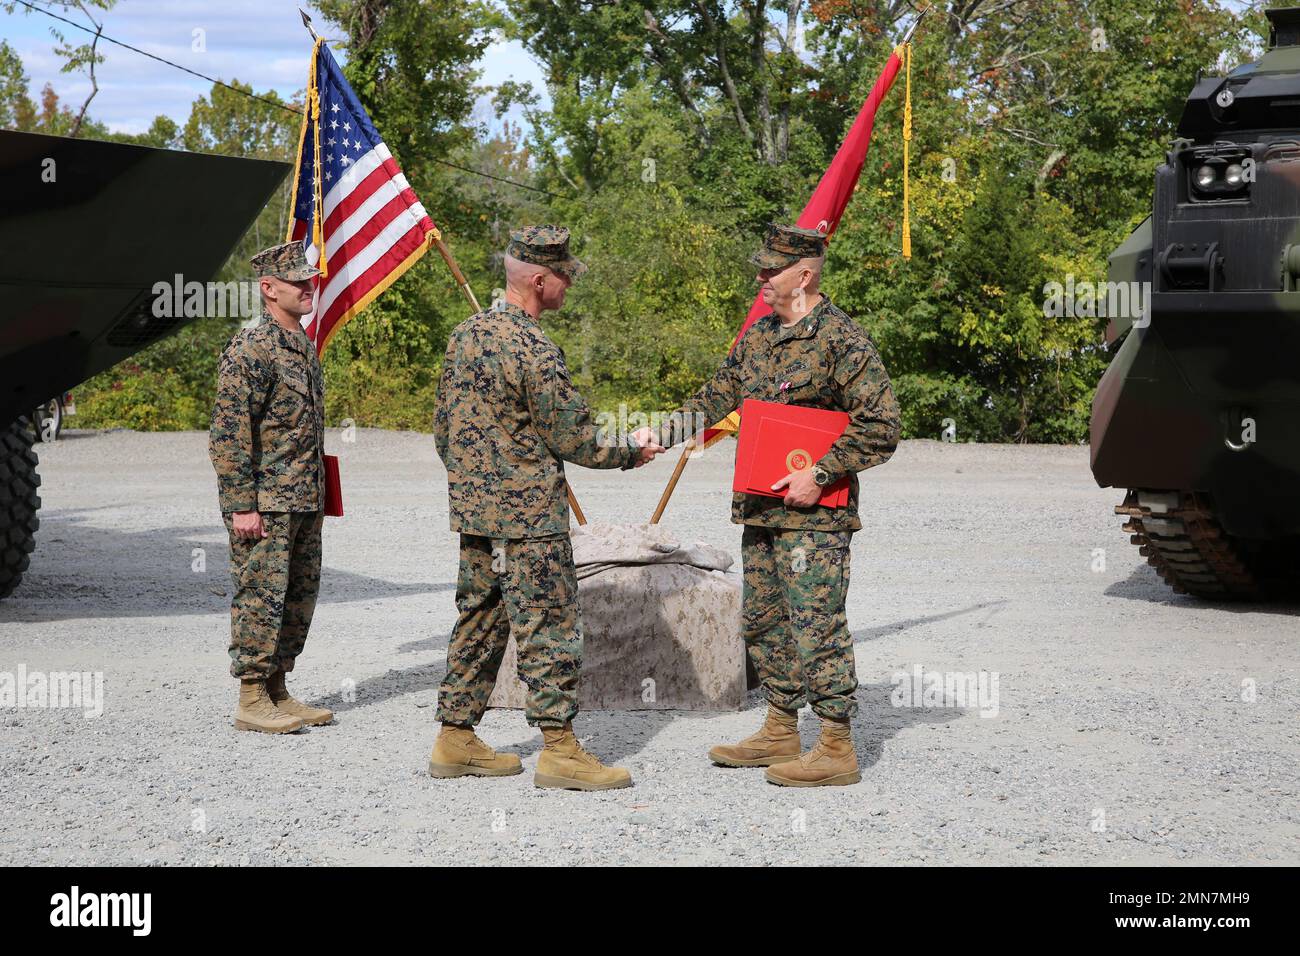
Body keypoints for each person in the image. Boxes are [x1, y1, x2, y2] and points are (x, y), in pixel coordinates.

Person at [645, 223, 900, 786]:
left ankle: (836, 744)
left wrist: (824, 471)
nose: (760, 277)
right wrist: (660, 436)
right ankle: (782, 727)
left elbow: (882, 425)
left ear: (804, 275)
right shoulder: (760, 336)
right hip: (762, 509)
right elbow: (717, 395)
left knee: (816, 623)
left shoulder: (841, 340)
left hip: (815, 512)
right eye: (760, 267)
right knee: (762, 621)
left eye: (771, 269)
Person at [430, 225, 664, 790]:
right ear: (539, 280)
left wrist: (478, 482)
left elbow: (443, 431)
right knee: (550, 627)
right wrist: (634, 449)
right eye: (564, 277)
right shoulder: (534, 348)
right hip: (529, 520)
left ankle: (455, 737)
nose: (568, 285)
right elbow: (575, 438)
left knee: (480, 619)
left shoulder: (464, 336)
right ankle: (559, 751)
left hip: (477, 515)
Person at [209, 239, 334, 734]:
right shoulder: (252, 348)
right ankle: (251, 696)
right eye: (298, 282)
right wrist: (242, 505)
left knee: (298, 595)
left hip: (303, 496)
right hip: (265, 501)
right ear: (268, 288)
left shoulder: (301, 343)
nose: (309, 288)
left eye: (309, 280)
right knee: (260, 596)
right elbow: (228, 433)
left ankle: (278, 688)